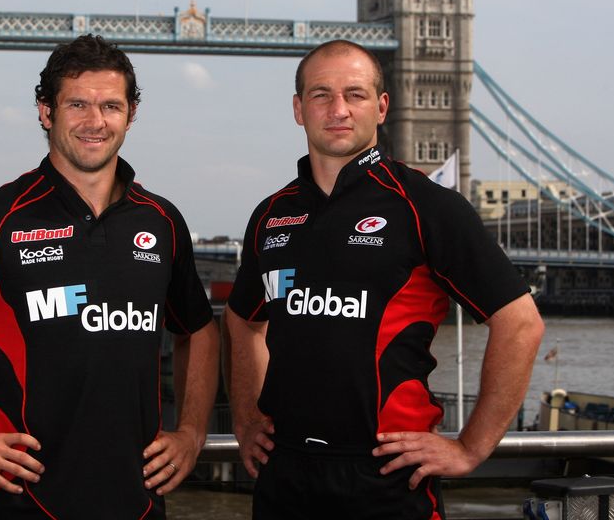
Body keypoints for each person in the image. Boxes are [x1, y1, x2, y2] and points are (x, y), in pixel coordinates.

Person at [0, 34, 219, 519]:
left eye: (111, 106)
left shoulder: (161, 221)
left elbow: (199, 331)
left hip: (137, 504)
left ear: (131, 115)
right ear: (45, 111)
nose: (95, 121)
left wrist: (192, 432)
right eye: (77, 103)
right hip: (23, 504)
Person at [224, 39, 544, 519]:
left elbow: (520, 324)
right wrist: (247, 419)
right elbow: (243, 321)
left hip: (385, 474)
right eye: (320, 95)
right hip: (284, 471)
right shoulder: (271, 215)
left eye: (354, 94)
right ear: (298, 109)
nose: (338, 110)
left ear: (381, 106)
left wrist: (471, 447)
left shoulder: (427, 206)